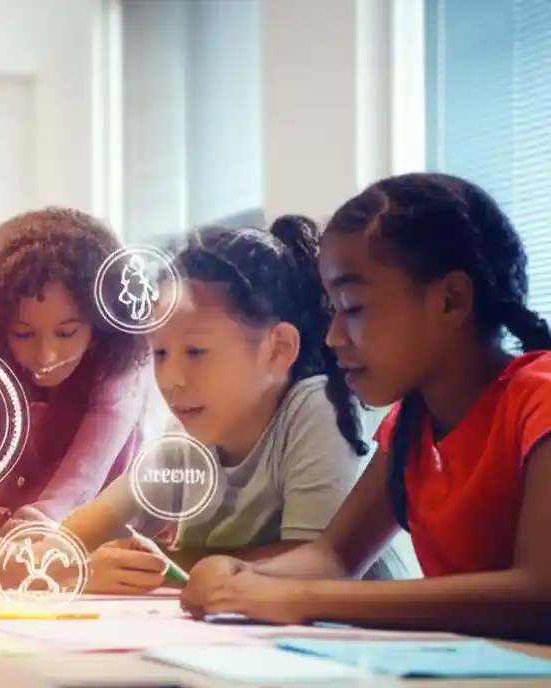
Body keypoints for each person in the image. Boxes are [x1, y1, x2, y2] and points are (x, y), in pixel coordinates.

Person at [181, 174, 551, 643]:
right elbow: (333, 557)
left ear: (451, 300)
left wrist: (304, 599)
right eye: (331, 309)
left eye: (353, 306)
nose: (333, 336)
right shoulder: (410, 426)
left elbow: (540, 593)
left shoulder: (539, 398)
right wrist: (242, 576)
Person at [0, 216, 402, 593]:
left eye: (196, 352)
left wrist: (158, 565)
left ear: (278, 349)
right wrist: (55, 565)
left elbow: (310, 558)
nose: (170, 379)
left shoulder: (316, 409)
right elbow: (64, 543)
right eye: (159, 354)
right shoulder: (184, 445)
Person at [0, 207, 167, 585]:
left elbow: (79, 484)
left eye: (67, 333)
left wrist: (12, 553)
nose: (46, 356)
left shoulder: (123, 364)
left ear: (99, 324)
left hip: (82, 533)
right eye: (24, 334)